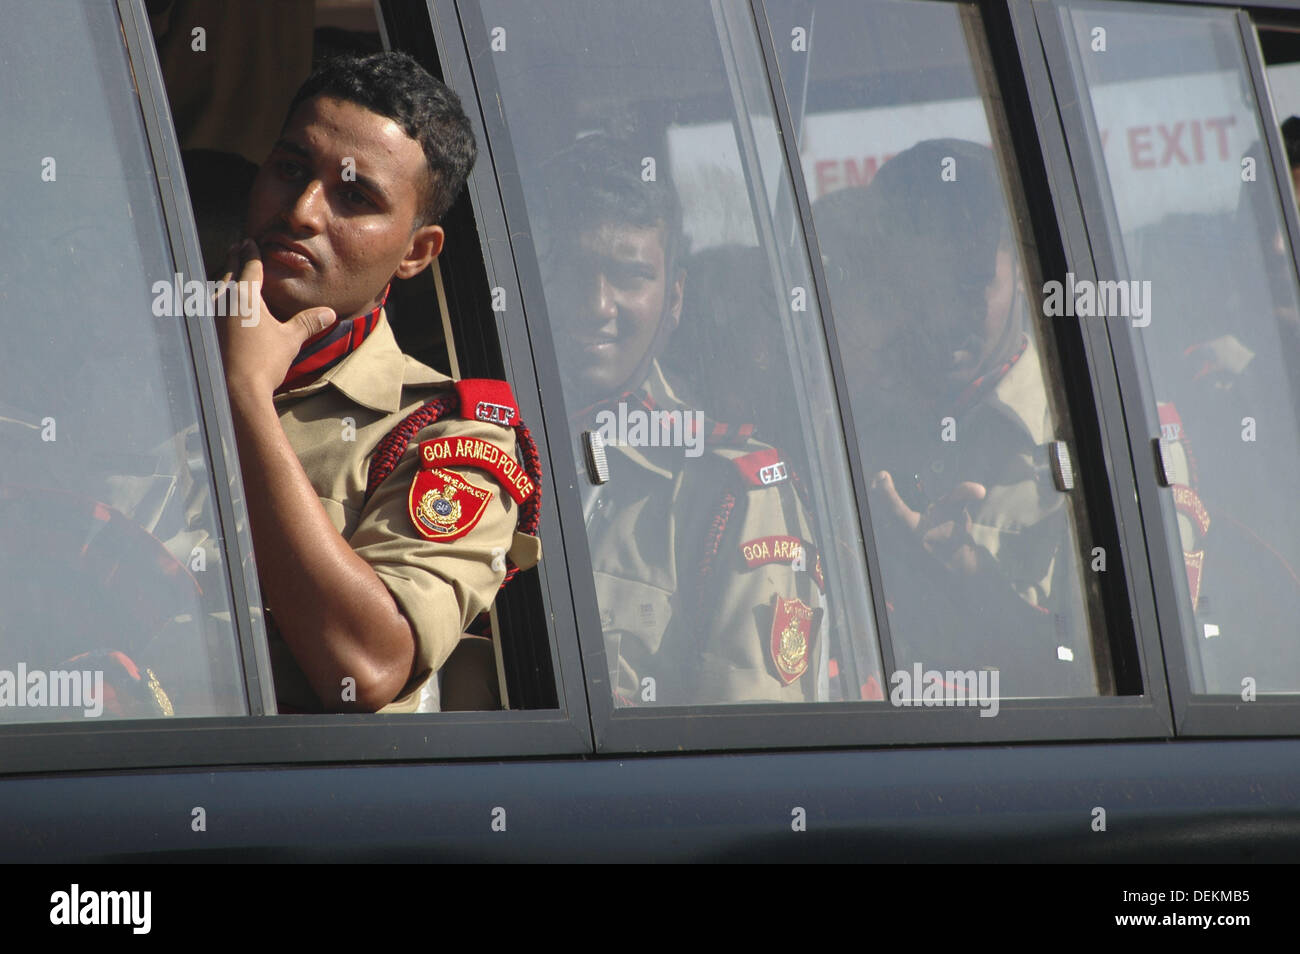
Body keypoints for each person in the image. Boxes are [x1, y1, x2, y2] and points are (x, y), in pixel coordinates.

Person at [215, 52, 540, 713]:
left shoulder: (446, 436)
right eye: (290, 170)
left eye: (355, 197)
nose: (303, 211)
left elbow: (365, 667)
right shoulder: (127, 367)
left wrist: (244, 394)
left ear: (415, 253)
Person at [538, 136, 825, 706]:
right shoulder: (458, 435)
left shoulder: (731, 491)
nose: (596, 305)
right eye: (572, 269)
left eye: (629, 275)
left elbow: (752, 753)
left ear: (674, 298)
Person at [816, 138, 1096, 698]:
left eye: (970, 285)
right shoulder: (834, 429)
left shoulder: (1093, 441)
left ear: (1024, 267)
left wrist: (971, 578)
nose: (942, 315)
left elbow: (1116, 695)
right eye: (920, 286)